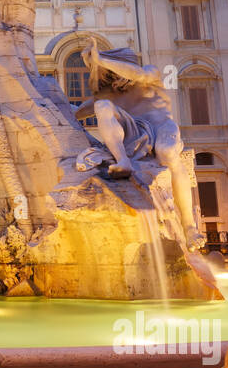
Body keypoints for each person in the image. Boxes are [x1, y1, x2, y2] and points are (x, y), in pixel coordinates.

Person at [74, 41, 202, 251]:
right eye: (109, 74)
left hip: (161, 127)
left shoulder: (149, 75)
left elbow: (138, 74)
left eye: (113, 71)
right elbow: (76, 113)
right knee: (102, 105)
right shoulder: (109, 95)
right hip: (134, 134)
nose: (113, 79)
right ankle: (123, 160)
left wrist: (101, 59)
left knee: (167, 152)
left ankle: (189, 226)